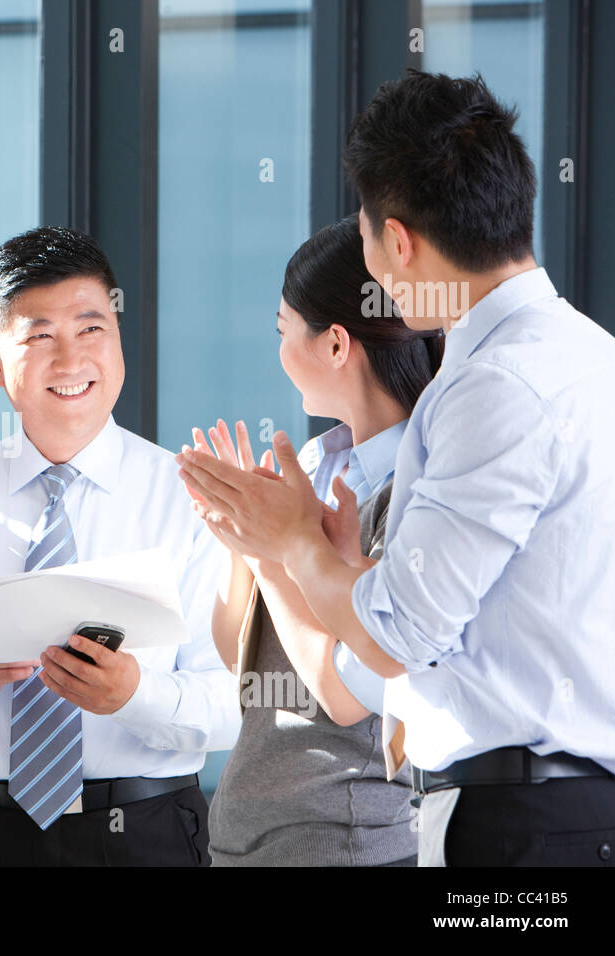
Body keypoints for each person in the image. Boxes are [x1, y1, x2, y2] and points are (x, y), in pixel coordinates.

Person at [178, 70, 615, 866]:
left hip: (520, 822)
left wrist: (296, 546)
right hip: (559, 808)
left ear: (400, 242)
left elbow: (396, 637)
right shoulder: (591, 356)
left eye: (370, 238)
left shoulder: (495, 386)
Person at [0, 226, 239, 866]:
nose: (71, 360)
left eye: (91, 330)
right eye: (39, 337)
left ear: (118, 340)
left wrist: (133, 694)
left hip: (146, 835)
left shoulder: (190, 500)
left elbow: (239, 703)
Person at [199, 216, 441, 866]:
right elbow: (238, 657)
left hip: (342, 841)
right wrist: (239, 546)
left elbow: (344, 697)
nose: (277, 351)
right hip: (245, 834)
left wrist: (274, 551)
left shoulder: (417, 491)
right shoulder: (312, 462)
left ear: (336, 344)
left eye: (284, 331)